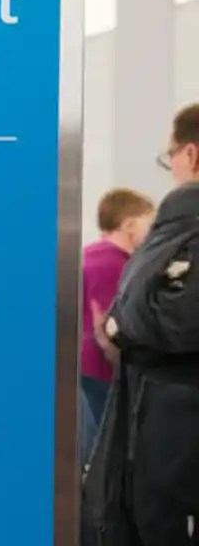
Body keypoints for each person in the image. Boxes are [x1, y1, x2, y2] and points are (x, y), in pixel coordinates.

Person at [84, 104, 199, 545]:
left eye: (168, 155)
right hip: (148, 423)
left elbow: (171, 320)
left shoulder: (178, 229)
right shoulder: (171, 231)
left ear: (190, 153)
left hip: (173, 436)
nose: (169, 166)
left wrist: (123, 325)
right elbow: (127, 311)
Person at [80, 189, 154, 448]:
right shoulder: (115, 264)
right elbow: (110, 323)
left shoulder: (89, 253)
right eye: (150, 222)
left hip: (83, 363)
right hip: (100, 367)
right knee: (104, 443)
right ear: (129, 225)